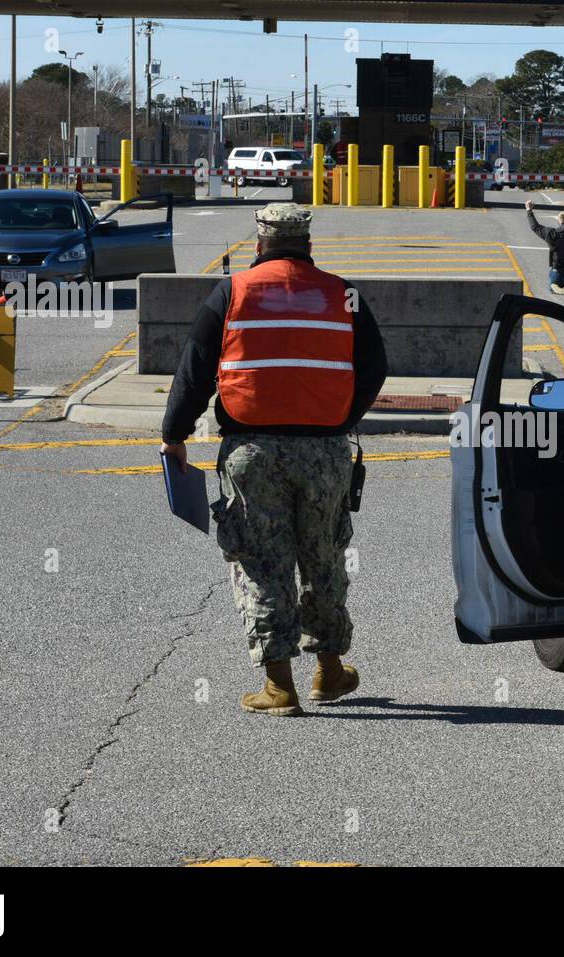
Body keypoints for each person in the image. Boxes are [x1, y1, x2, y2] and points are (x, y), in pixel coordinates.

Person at [160, 203, 388, 717]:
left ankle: (279, 685)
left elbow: (195, 368)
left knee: (263, 562)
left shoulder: (233, 291)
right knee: (324, 556)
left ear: (259, 243)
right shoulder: (342, 293)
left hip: (251, 451)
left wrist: (174, 434)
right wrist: (342, 415)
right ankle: (329, 672)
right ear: (307, 244)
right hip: (326, 452)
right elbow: (376, 364)